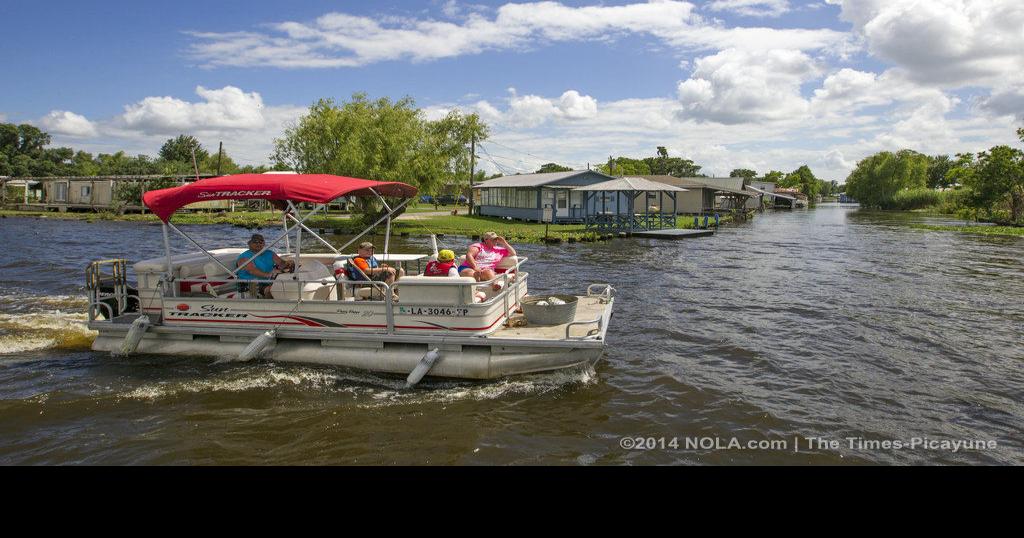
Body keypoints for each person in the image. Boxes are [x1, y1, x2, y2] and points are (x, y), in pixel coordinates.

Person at [236, 233, 292, 298]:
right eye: (255, 242)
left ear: (264, 243)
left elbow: (281, 264)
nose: (258, 244)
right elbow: (252, 271)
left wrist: (288, 264)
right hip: (249, 283)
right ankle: (270, 307)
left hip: (267, 281)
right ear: (249, 243)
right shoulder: (244, 257)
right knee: (270, 290)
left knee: (288, 286)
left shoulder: (269, 253)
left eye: (261, 242)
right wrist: (269, 274)